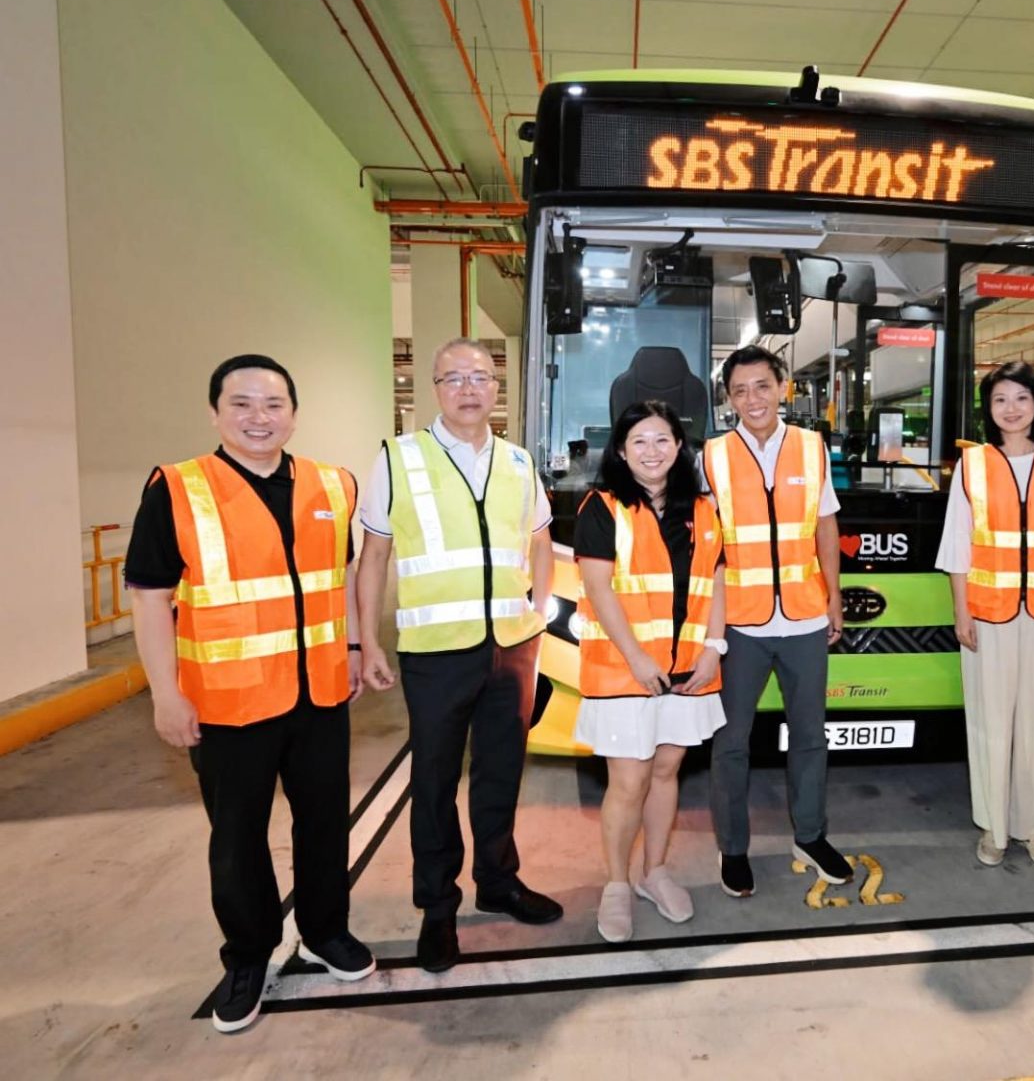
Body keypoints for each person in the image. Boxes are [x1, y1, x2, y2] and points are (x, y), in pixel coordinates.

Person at [126, 355, 375, 1034]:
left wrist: (353, 648)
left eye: (273, 404)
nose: (259, 417)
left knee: (324, 824)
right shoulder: (178, 489)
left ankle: (326, 932)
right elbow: (149, 600)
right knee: (238, 840)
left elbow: (342, 579)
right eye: (242, 404)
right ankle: (248, 956)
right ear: (215, 413)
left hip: (320, 695)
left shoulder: (332, 484)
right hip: (226, 703)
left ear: (293, 411)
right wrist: (164, 695)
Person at [356, 338, 558, 974]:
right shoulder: (399, 458)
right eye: (455, 379)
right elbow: (375, 557)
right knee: (435, 784)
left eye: (481, 377)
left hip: (512, 650)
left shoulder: (520, 462)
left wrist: (539, 616)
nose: (469, 389)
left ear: (496, 388)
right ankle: (437, 909)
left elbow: (541, 542)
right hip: (436, 654)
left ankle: (497, 882)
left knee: (501, 774)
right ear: (434, 388)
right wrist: (366, 641)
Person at [573, 401, 728, 942]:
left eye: (662, 439)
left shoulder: (704, 510)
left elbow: (718, 581)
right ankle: (617, 884)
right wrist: (637, 658)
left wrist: (714, 646)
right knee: (630, 780)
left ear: (679, 447)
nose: (652, 451)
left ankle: (653, 871)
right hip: (624, 672)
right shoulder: (603, 507)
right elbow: (597, 589)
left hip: (687, 670)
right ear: (620, 449)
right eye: (639, 441)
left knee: (666, 773)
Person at [703, 345, 853, 897]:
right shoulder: (712, 456)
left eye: (762, 386)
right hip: (740, 625)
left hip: (806, 618)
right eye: (740, 390)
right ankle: (732, 848)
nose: (752, 399)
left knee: (811, 736)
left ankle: (810, 836)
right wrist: (711, 626)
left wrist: (833, 597)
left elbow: (826, 529)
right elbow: (706, 547)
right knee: (731, 742)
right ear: (728, 399)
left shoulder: (812, 448)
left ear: (782, 387)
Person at [937, 361, 1034, 870]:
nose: (1011, 408)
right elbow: (958, 545)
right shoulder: (973, 465)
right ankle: (996, 829)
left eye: (1021, 398)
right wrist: (961, 612)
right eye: (1000, 399)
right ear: (989, 408)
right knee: (990, 723)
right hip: (988, 615)